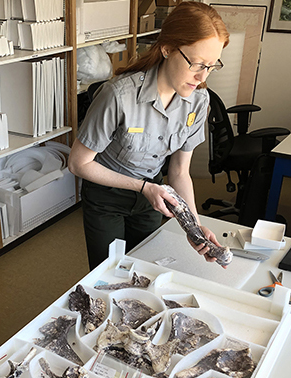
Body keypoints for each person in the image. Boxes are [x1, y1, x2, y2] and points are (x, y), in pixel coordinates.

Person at [69, 1, 228, 269]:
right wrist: (144, 187)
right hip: (108, 196)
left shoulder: (199, 101)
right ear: (167, 48)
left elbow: (179, 171)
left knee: (146, 268)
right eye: (197, 64)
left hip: (153, 195)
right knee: (108, 273)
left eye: (211, 66)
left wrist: (195, 227)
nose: (202, 77)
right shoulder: (118, 96)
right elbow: (78, 163)